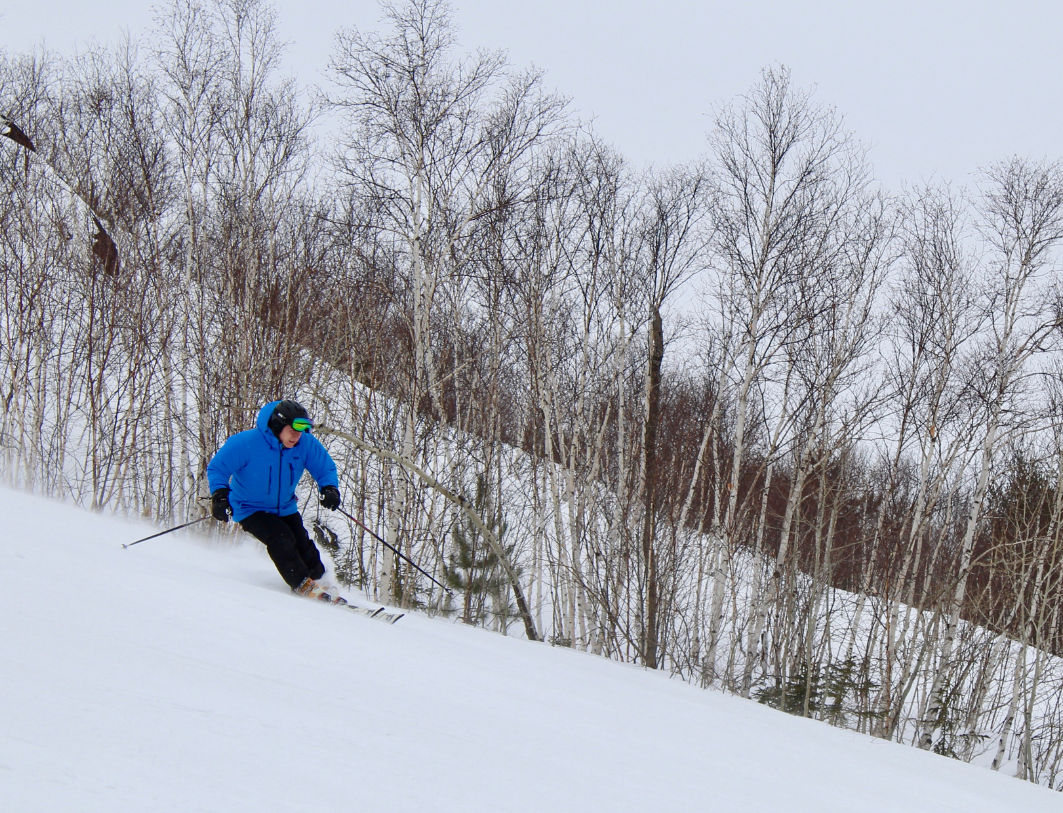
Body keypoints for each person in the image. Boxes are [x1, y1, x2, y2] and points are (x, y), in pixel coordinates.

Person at [206, 399, 343, 601]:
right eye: (293, 428)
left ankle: (320, 582)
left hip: (284, 506)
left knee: (302, 543)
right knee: (281, 538)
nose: (297, 435)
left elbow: (324, 467)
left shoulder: (304, 443)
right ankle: (302, 584)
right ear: (277, 425)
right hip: (249, 507)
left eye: (304, 428)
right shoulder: (245, 443)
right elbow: (218, 468)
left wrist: (329, 488)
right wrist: (219, 496)